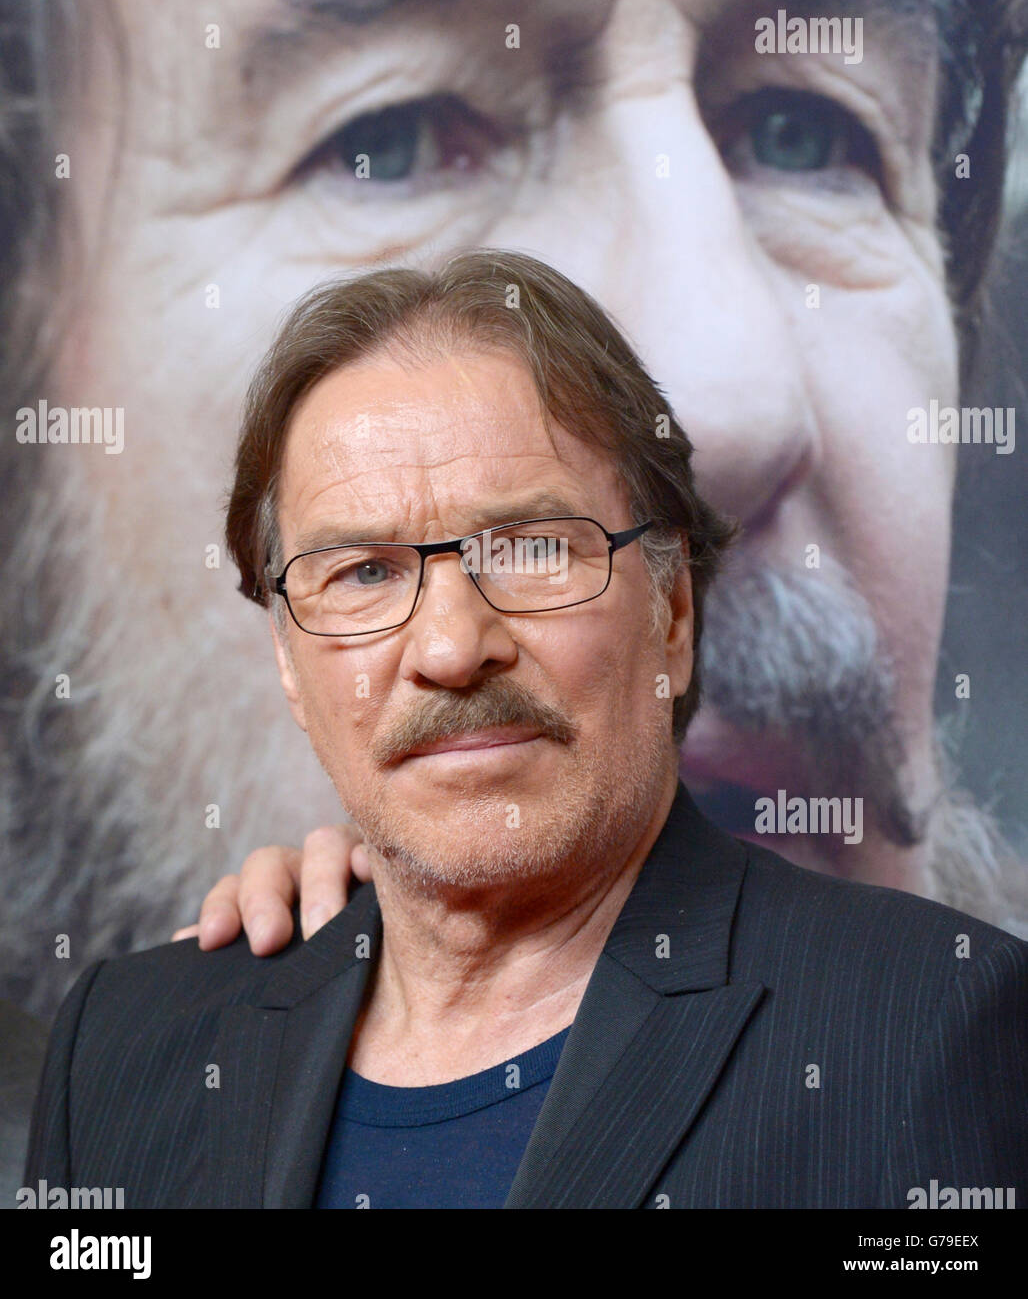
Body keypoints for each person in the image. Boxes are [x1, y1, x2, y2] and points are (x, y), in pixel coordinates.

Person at [25, 252, 1028, 1209]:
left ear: (670, 611)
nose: (454, 647)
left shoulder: (927, 1029)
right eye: (364, 572)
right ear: (291, 662)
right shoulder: (125, 1050)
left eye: (535, 547)